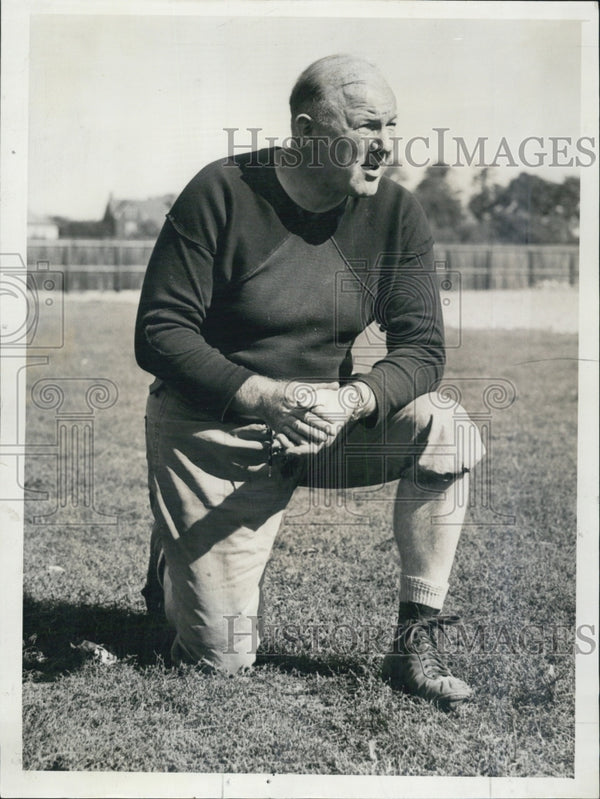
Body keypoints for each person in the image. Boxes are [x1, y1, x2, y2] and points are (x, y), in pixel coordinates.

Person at [135, 54, 485, 711]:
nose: (386, 143)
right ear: (306, 131)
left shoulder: (396, 213)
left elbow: (423, 347)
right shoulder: (220, 191)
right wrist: (266, 395)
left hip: (324, 424)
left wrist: (351, 398)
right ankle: (173, 558)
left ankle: (416, 640)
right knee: (220, 662)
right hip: (215, 431)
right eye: (366, 125)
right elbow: (159, 332)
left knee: (448, 429)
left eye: (393, 125)